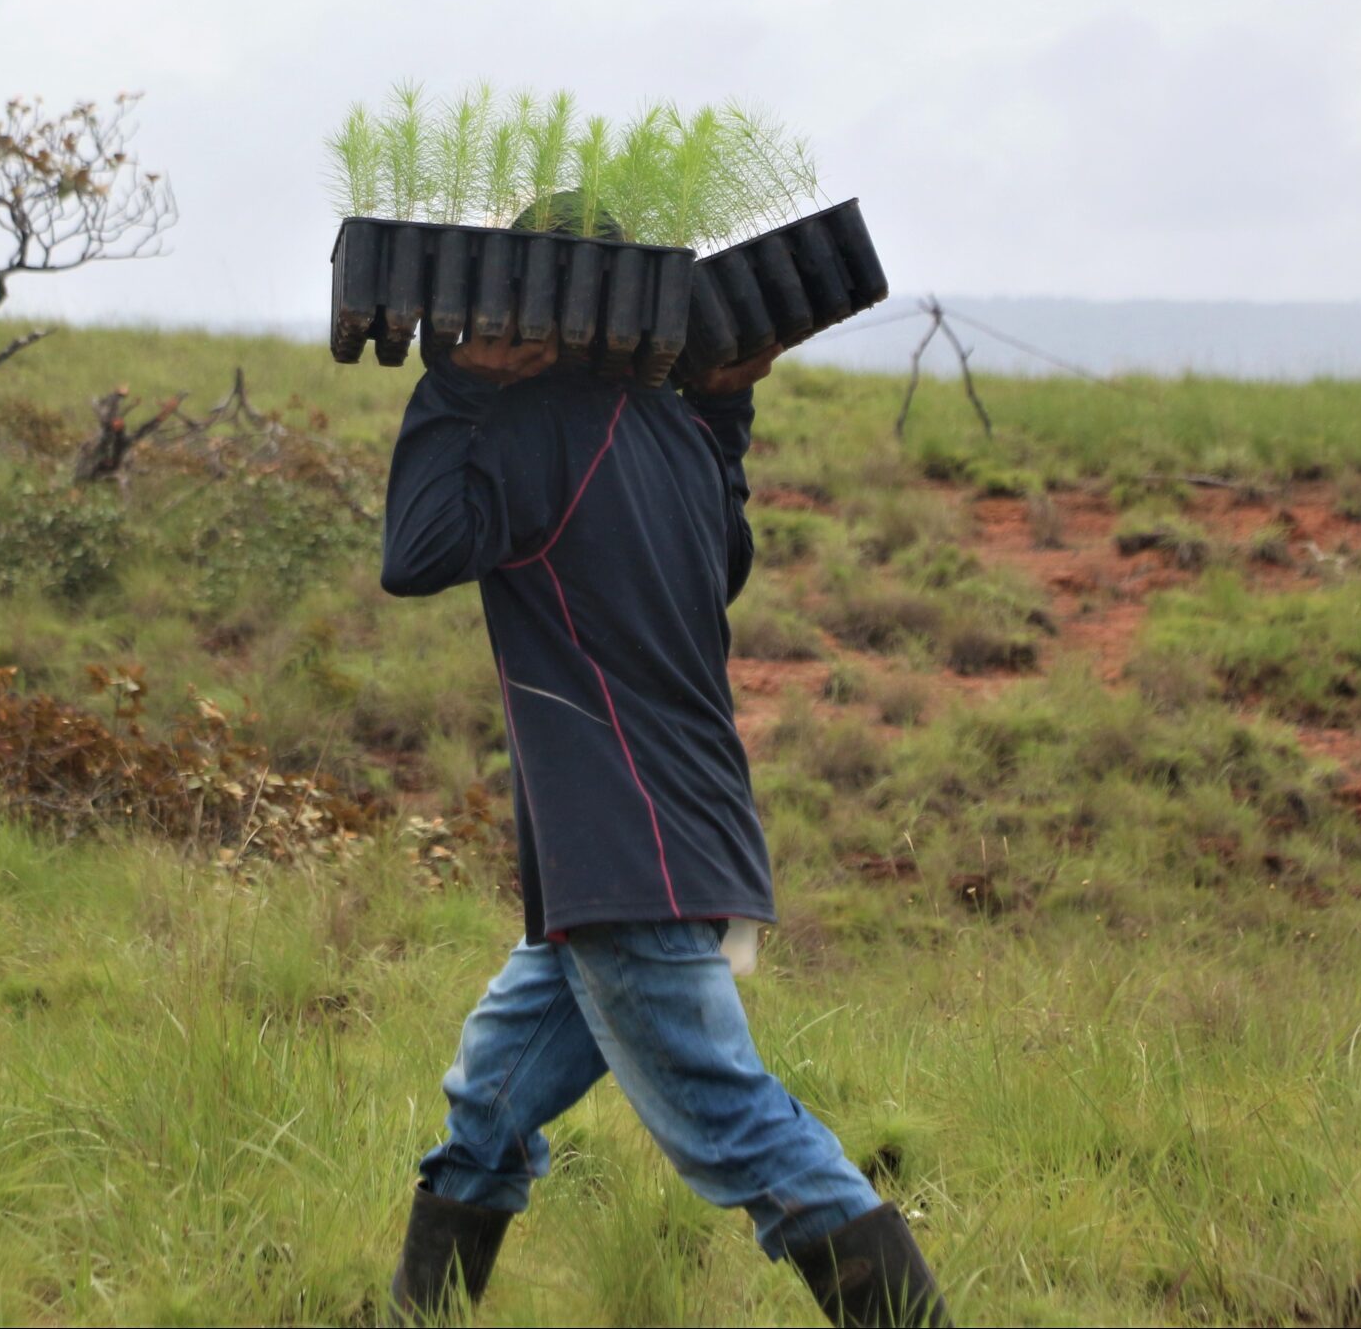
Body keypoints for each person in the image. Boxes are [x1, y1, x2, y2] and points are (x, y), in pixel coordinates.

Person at [377, 202, 954, 1328]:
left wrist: (459, 387)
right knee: (489, 1106)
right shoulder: (676, 430)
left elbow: (416, 552)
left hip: (626, 858)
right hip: (671, 845)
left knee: (734, 1125)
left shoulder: (545, 430)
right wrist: (727, 407)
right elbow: (722, 561)